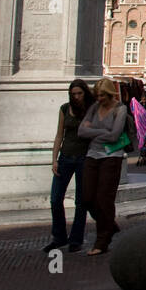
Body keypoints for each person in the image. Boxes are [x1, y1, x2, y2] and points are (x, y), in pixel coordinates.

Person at [78, 78, 129, 256]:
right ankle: (110, 224)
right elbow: (81, 131)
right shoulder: (94, 108)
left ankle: (102, 240)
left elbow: (115, 135)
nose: (99, 99)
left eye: (102, 95)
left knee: (104, 198)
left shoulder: (120, 108)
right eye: (97, 95)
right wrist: (101, 132)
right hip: (92, 155)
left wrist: (93, 132)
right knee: (87, 197)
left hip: (111, 157)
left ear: (109, 94)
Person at [46, 80, 92, 253]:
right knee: (55, 198)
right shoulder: (65, 108)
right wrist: (54, 159)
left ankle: (76, 239)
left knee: (81, 202)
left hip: (83, 158)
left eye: (80, 93)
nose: (77, 97)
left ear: (85, 93)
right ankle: (59, 236)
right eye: (74, 94)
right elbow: (59, 135)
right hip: (65, 157)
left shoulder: (90, 109)